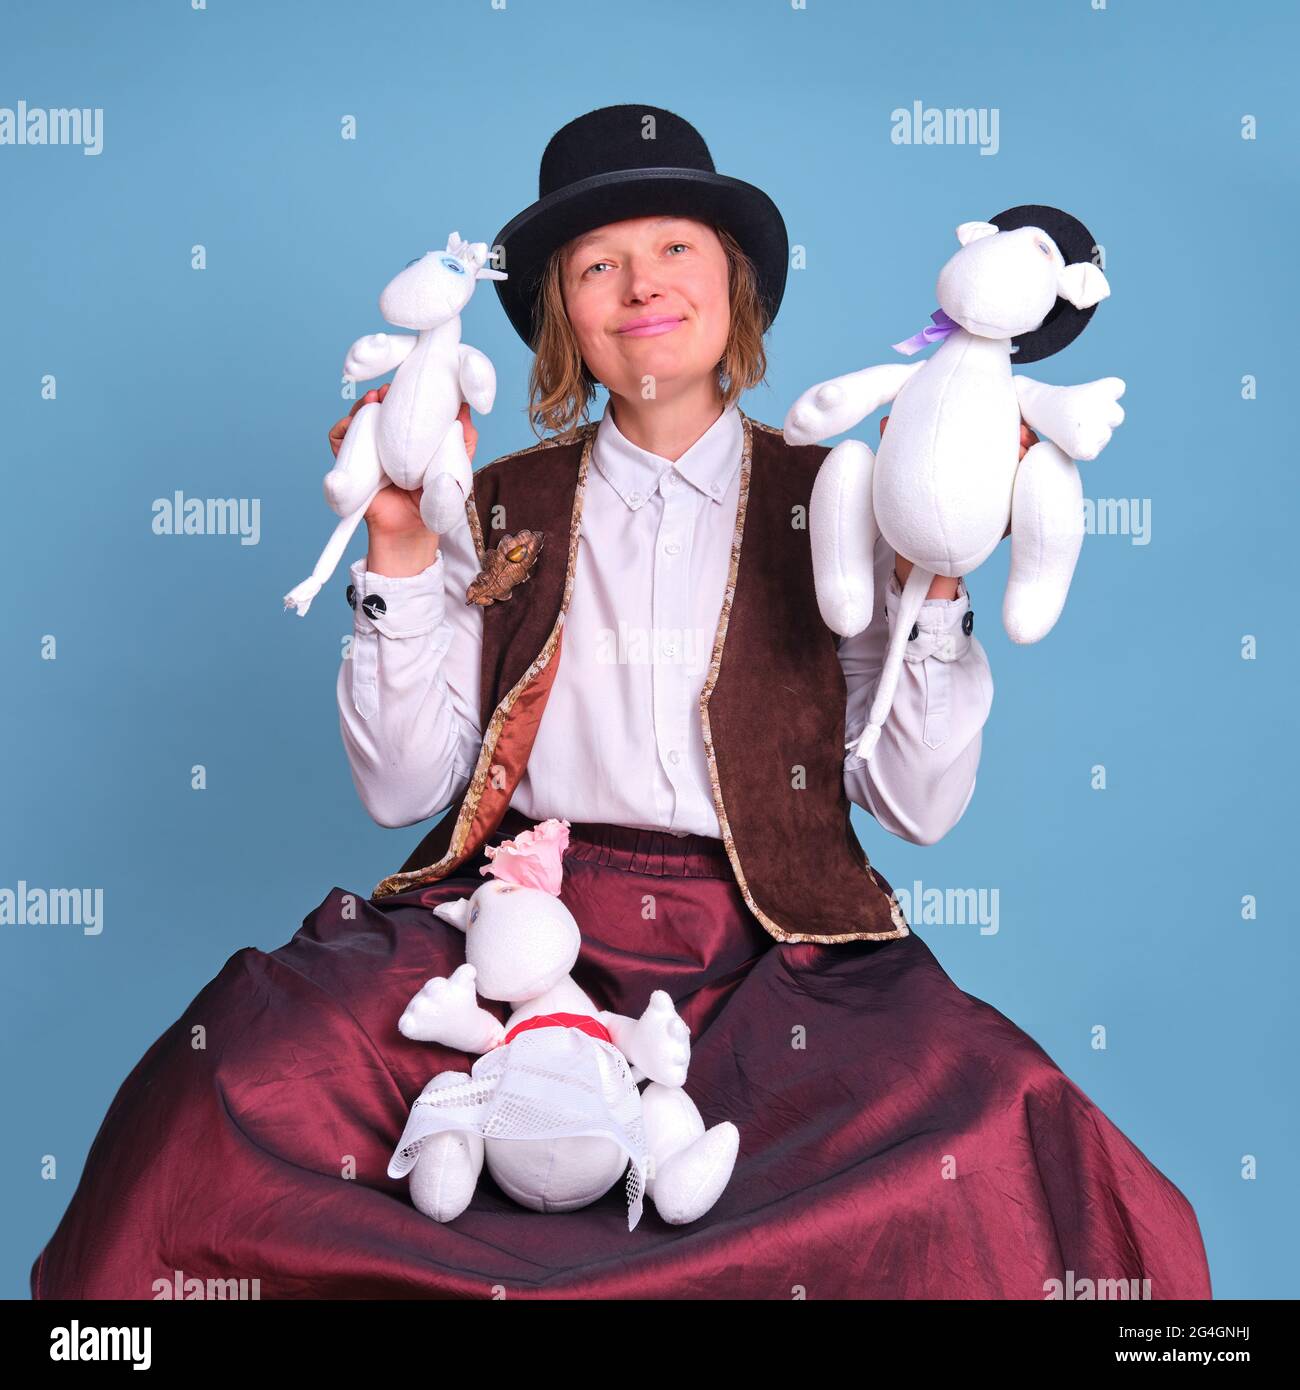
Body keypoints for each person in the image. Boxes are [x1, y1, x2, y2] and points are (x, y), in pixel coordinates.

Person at [31, 105, 1212, 1300]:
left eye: (674, 250)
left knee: (997, 1119)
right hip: (511, 930)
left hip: (767, 948)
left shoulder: (839, 496)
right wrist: (393, 547)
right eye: (598, 265)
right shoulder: (485, 503)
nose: (641, 284)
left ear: (734, 286)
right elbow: (400, 787)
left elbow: (914, 805)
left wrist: (938, 579)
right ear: (561, 317)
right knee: (237, 1072)